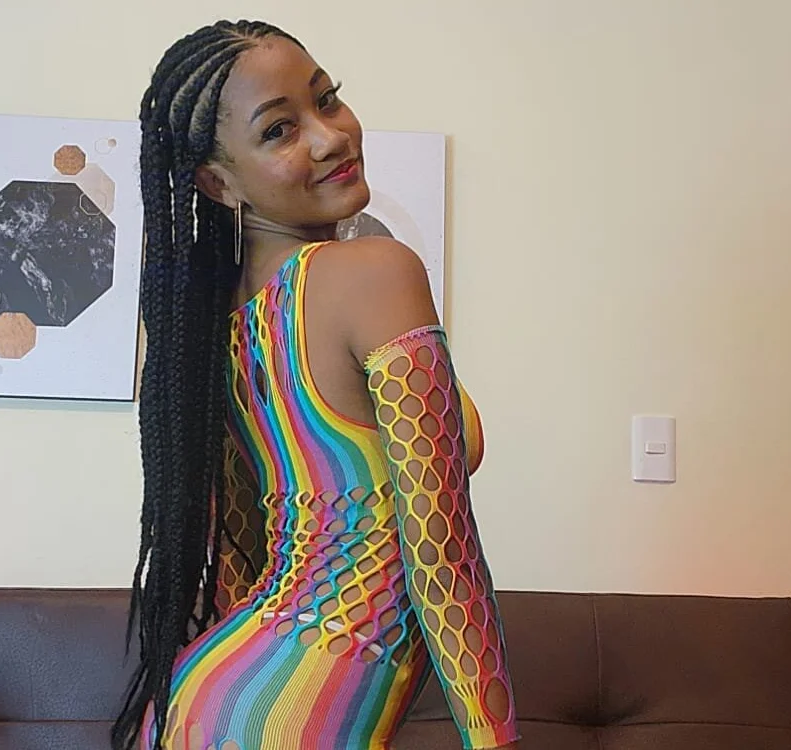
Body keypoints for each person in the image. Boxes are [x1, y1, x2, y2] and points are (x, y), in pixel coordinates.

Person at [113, 18, 519, 750]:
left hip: (212, 697)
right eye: (279, 130)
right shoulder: (375, 272)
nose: (330, 136)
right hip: (291, 711)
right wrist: (497, 741)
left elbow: (241, 561)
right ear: (217, 183)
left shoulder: (218, 328)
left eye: (326, 99)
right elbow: (442, 555)